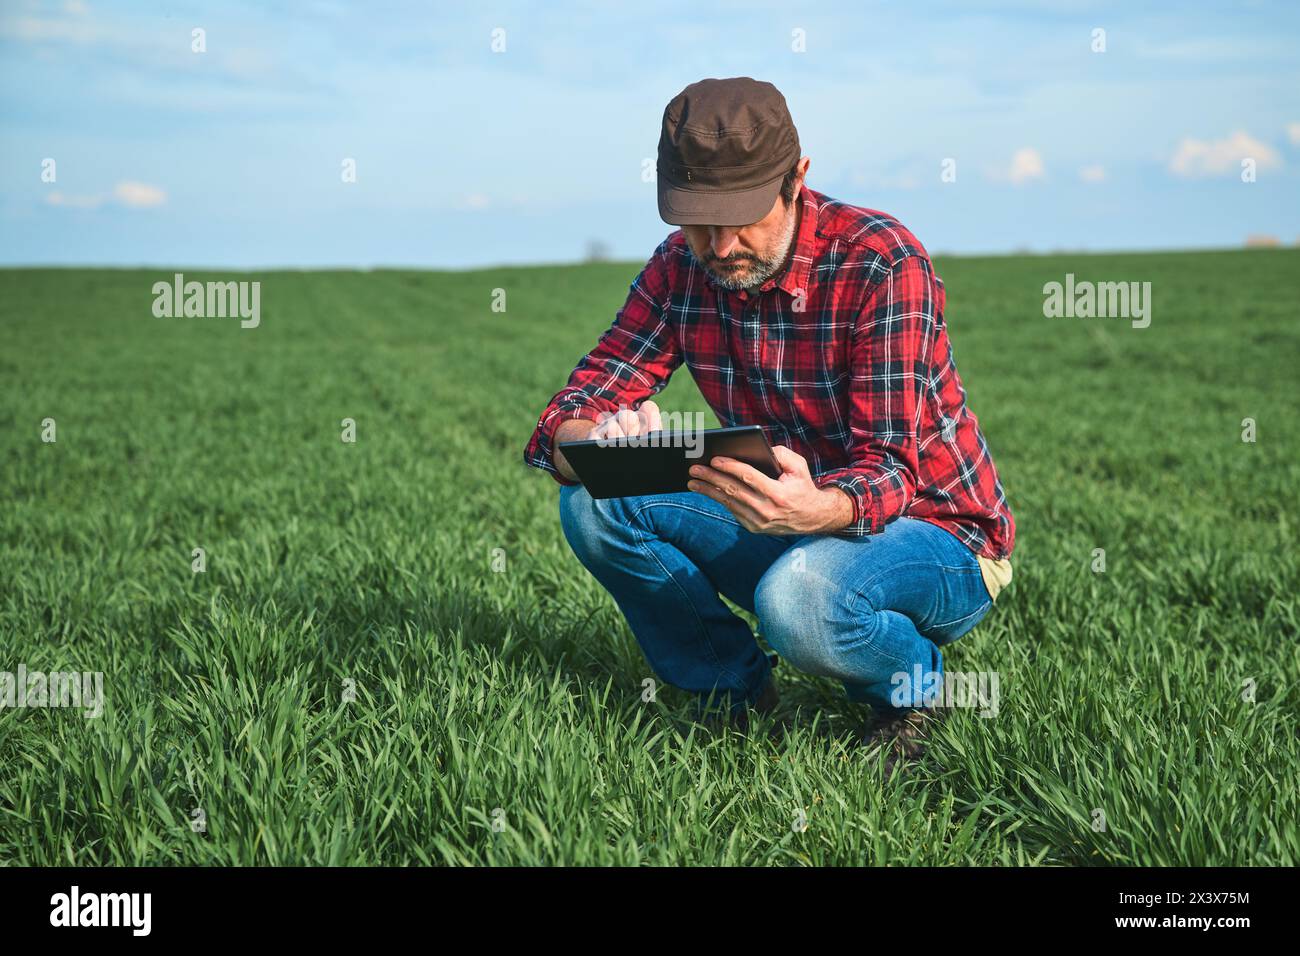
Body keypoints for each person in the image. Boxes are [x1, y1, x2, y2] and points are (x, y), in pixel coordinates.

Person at [523, 76, 1015, 768]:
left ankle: (919, 690)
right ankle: (733, 695)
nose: (719, 247)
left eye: (740, 218)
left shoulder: (880, 262)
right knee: (594, 506)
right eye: (697, 222)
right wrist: (589, 445)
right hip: (780, 514)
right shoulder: (680, 269)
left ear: (797, 179)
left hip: (938, 532)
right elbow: (574, 407)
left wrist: (814, 510)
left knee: (799, 597)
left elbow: (893, 472)